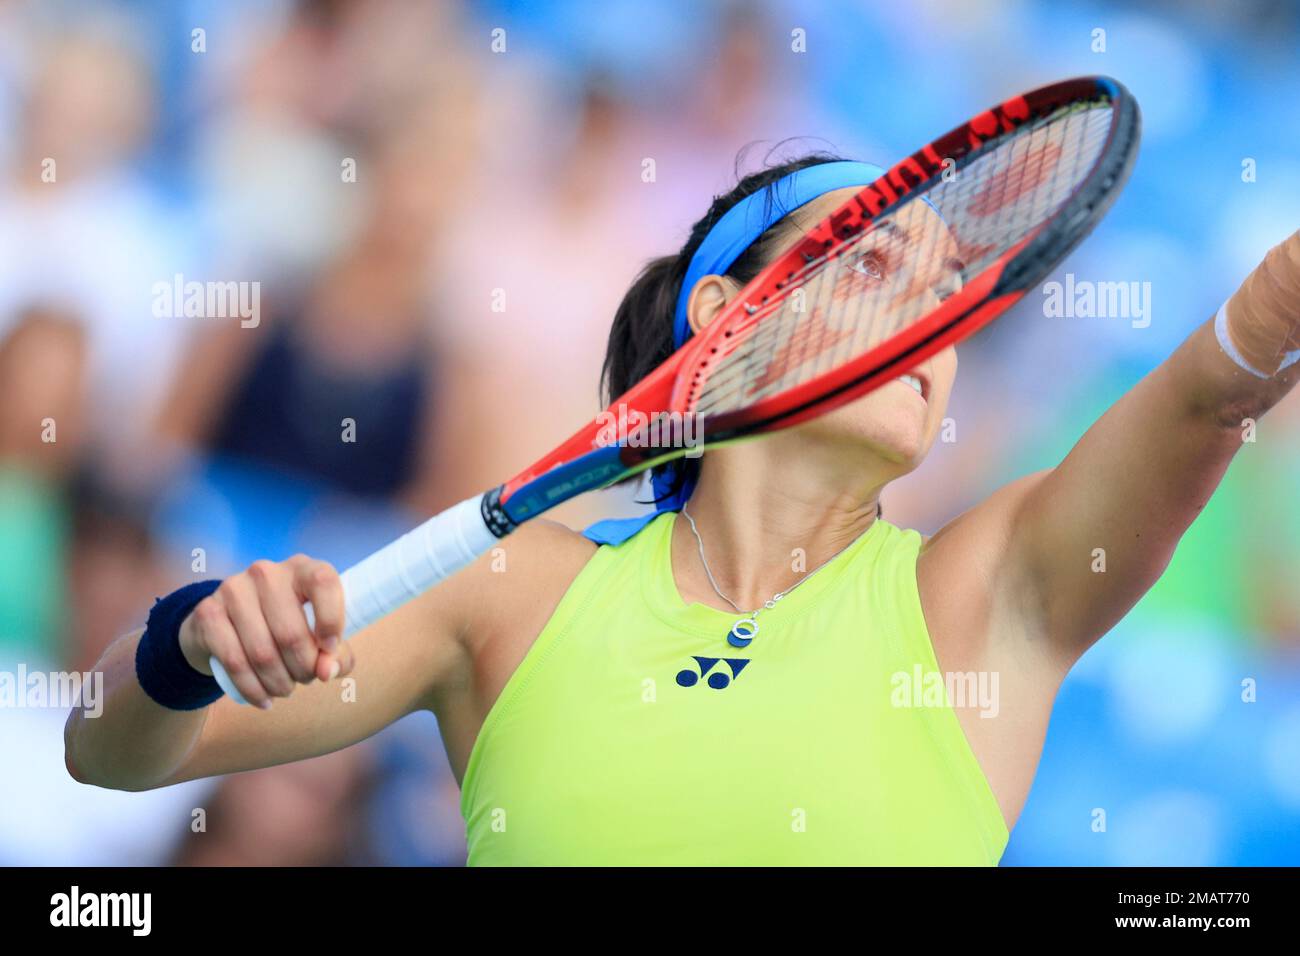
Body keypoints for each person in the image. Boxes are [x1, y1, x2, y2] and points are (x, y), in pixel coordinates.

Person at [65, 154, 1300, 865]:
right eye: (872, 263)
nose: (929, 321)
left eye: (949, 303)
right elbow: (106, 750)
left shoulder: (987, 591)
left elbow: (1210, 391)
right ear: (723, 315)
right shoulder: (514, 592)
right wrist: (186, 643)